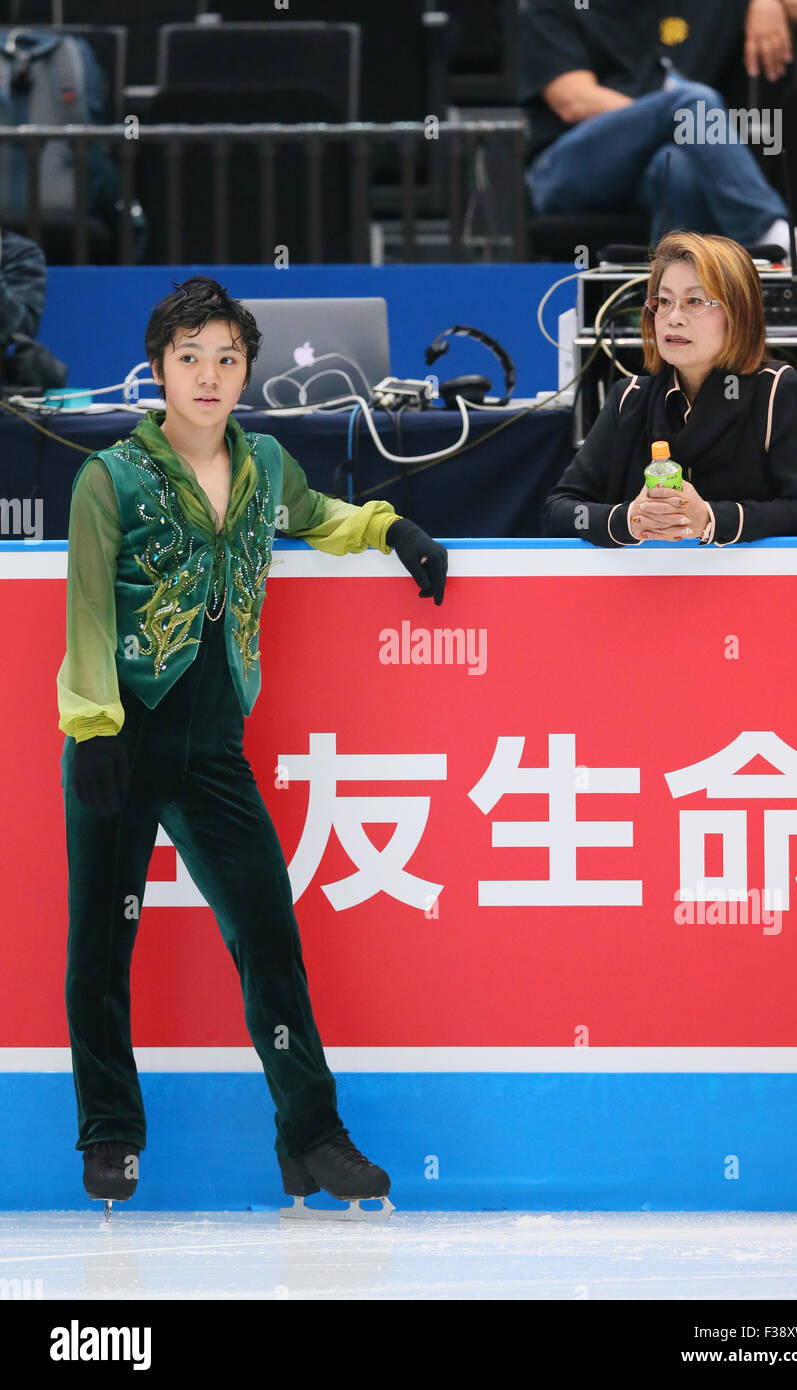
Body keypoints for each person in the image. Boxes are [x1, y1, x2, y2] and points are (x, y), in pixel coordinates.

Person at [56, 276, 447, 1218]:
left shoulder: (267, 462)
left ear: (246, 372)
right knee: (103, 946)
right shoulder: (108, 478)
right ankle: (110, 1131)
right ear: (158, 369)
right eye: (190, 357)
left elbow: (319, 520)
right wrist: (95, 725)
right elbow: (86, 614)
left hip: (214, 744)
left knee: (268, 933)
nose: (209, 375)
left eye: (227, 358)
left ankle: (309, 1136)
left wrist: (390, 527)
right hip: (123, 733)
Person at [541, 230, 797, 546]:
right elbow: (558, 510)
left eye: (695, 301)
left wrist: (710, 519)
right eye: (664, 301)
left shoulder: (775, 390)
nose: (673, 318)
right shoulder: (629, 397)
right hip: (647, 588)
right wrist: (631, 519)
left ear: (738, 313)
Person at [519, 0, 797, 252]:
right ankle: (773, 239)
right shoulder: (553, 5)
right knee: (694, 102)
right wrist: (666, 116)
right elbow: (573, 101)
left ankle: (669, 296)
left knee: (680, 170)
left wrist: (765, 1)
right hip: (563, 170)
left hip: (652, 162)